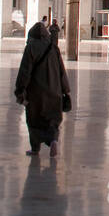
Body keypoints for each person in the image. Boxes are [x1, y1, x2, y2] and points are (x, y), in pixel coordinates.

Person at [15, 22, 71, 157]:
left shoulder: (31, 48)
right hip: (55, 90)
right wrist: (65, 90)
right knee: (52, 120)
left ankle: (35, 148)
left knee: (34, 119)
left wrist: (20, 89)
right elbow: (61, 71)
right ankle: (53, 141)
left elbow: (25, 71)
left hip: (36, 92)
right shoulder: (53, 48)